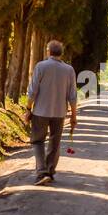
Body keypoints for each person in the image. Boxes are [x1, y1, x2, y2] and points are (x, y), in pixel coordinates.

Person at [24, 39, 78, 185]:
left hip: (40, 111)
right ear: (61, 53)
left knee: (37, 141)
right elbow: (72, 95)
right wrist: (74, 115)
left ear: (48, 51)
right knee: (55, 142)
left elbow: (32, 91)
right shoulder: (69, 70)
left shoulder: (41, 66)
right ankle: (49, 171)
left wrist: (28, 109)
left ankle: (41, 172)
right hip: (59, 113)